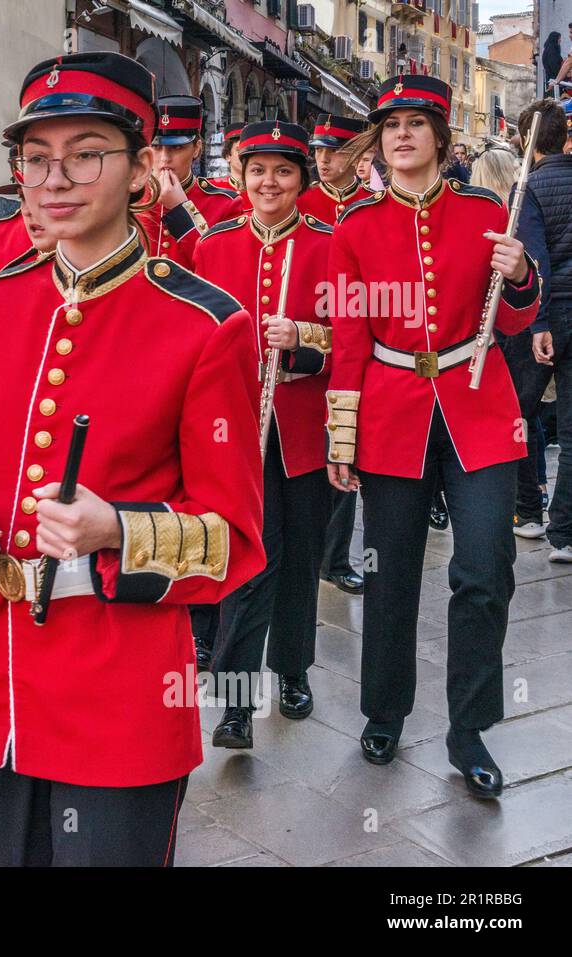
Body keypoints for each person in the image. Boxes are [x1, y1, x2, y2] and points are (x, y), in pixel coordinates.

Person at [0, 51, 265, 865]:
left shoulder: (206, 325)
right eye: (36, 158)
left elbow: (235, 536)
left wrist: (117, 529)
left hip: (122, 691)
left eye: (85, 154)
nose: (55, 178)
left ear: (144, 167)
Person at [327, 75, 540, 798]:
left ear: (442, 140)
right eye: (391, 126)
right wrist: (342, 434)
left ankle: (468, 728)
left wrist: (520, 277)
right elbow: (350, 340)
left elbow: (511, 322)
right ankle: (385, 710)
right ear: (380, 142)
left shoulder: (485, 210)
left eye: (418, 124)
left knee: (484, 570)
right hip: (390, 413)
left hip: (478, 408)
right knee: (389, 575)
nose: (403, 135)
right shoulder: (354, 227)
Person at [194, 121, 334, 747]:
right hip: (235, 432)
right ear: (241, 176)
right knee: (245, 562)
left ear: (301, 180)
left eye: (283, 171)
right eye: (257, 170)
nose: (268, 182)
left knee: (300, 559)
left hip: (304, 430)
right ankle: (234, 703)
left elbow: (350, 339)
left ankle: (295, 669)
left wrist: (302, 341)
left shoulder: (332, 244)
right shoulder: (213, 246)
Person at [298, 113, 371, 595]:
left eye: (335, 151)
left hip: (355, 336)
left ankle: (336, 556)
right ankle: (305, 550)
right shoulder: (303, 201)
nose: (324, 160)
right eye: (319, 152)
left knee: (347, 445)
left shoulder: (371, 206)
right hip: (304, 339)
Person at [512, 100, 572, 559]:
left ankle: (528, 512)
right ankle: (566, 533)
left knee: (517, 413)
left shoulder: (527, 186)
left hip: (548, 314)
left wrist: (539, 322)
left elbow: (535, 260)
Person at [133, 95, 231, 266]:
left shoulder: (224, 204)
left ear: (196, 149)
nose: (164, 158)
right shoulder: (129, 199)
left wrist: (182, 211)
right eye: (156, 147)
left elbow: (218, 268)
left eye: (176, 147)